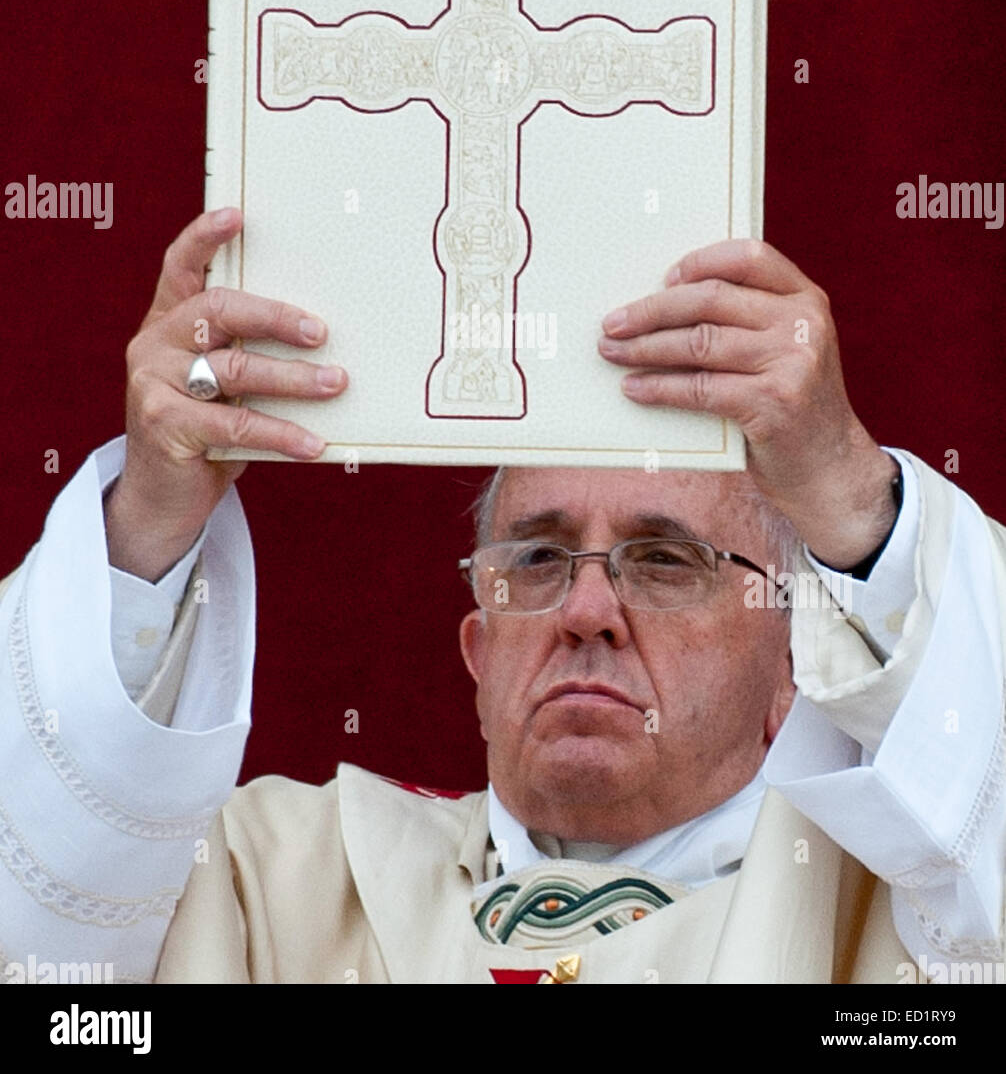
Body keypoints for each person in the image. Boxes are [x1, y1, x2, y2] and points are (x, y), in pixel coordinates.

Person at [0, 208, 1002, 984]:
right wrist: (146, 526)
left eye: (664, 561)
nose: (586, 610)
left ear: (793, 669)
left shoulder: (901, 917)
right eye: (535, 559)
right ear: (477, 653)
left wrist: (842, 486)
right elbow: (52, 952)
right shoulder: (260, 885)